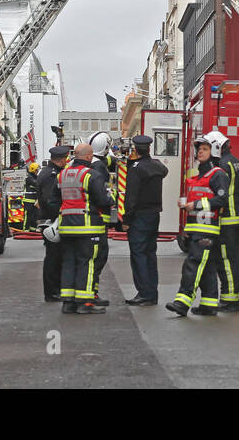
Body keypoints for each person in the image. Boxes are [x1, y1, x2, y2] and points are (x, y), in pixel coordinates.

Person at [167, 136, 230, 317]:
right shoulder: (200, 175)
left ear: (214, 152)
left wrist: (196, 205)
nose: (200, 152)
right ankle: (208, 304)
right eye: (199, 149)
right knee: (208, 267)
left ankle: (182, 301)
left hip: (207, 230)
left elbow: (221, 199)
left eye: (205, 149)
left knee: (193, 264)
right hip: (197, 229)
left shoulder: (217, 174)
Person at [58, 143, 112, 315]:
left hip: (66, 227)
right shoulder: (91, 175)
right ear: (89, 157)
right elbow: (103, 200)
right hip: (87, 227)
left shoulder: (62, 175)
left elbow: (53, 200)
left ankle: (68, 302)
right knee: (87, 263)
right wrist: (112, 197)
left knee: (68, 262)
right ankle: (85, 302)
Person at [124, 134, 167, 305]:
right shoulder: (156, 166)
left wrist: (126, 219)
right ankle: (152, 292)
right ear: (149, 148)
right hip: (154, 214)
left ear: (135, 149)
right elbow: (164, 170)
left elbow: (131, 197)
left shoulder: (136, 169)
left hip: (139, 216)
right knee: (150, 254)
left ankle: (144, 293)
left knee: (138, 254)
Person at [206, 130, 239, 312]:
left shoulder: (221, 165)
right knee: (236, 259)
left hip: (227, 219)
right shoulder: (237, 162)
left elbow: (220, 194)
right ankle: (236, 296)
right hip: (238, 216)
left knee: (226, 260)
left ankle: (230, 299)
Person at [88, 132, 121, 307]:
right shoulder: (99, 168)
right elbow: (102, 195)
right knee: (98, 257)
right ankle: (92, 292)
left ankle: (85, 293)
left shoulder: (90, 162)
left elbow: (108, 160)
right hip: (98, 219)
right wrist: (112, 197)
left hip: (83, 220)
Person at [35, 144, 70, 302]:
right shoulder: (51, 175)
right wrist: (58, 218)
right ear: (62, 160)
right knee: (53, 258)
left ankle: (55, 290)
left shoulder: (48, 172)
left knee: (56, 257)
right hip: (52, 221)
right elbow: (51, 201)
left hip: (51, 220)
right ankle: (52, 292)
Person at [23, 161, 41, 231]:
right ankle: (25, 229)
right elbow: (36, 184)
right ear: (33, 170)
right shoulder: (29, 178)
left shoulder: (35, 177)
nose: (38, 171)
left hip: (35, 201)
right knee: (28, 215)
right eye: (37, 170)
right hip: (28, 200)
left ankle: (33, 228)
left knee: (35, 215)